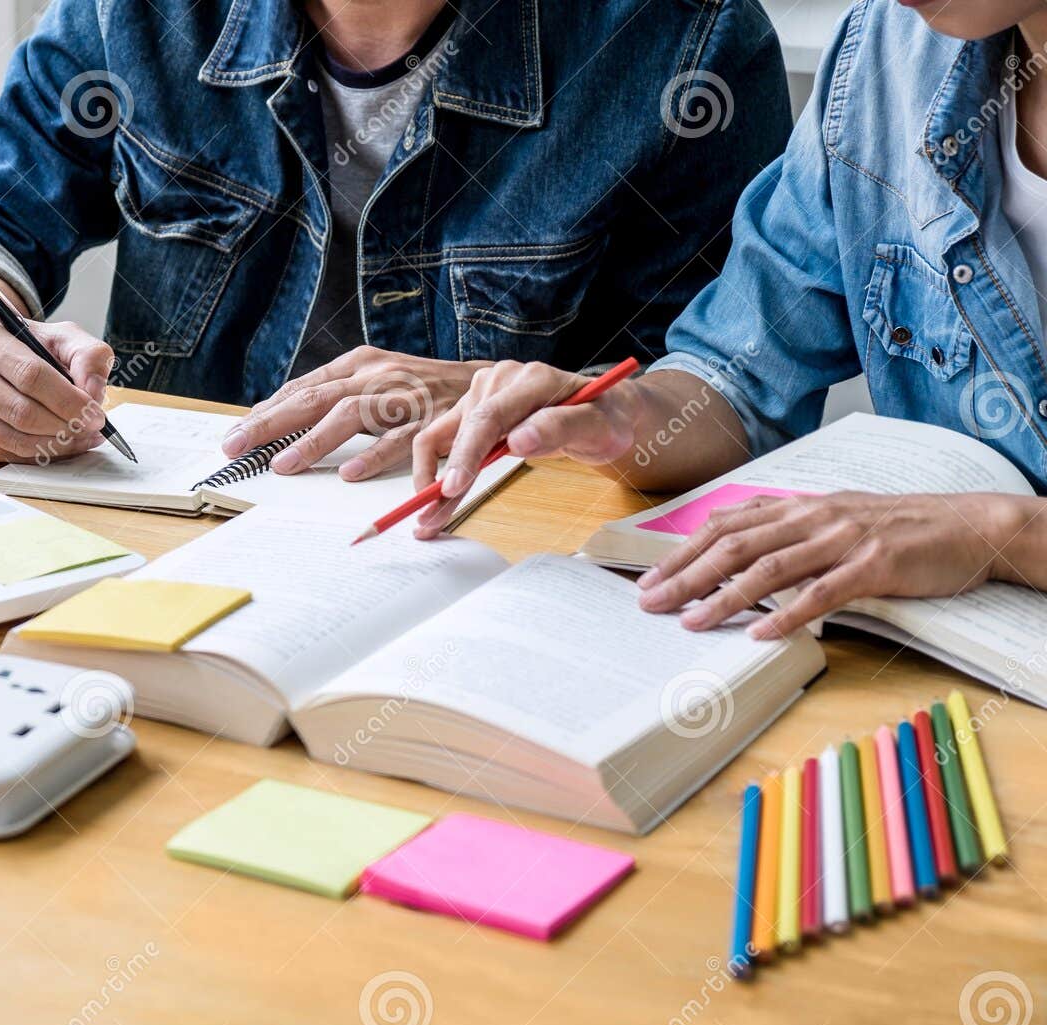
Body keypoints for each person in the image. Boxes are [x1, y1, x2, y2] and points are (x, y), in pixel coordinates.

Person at [0, 0, 791, 474]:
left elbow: (715, 406)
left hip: (491, 579)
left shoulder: (684, 45)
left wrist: (491, 402)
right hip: (170, 547)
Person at [415, 0, 1047, 638]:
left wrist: (998, 533)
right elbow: (738, 378)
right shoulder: (884, 52)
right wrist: (624, 418)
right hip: (954, 654)